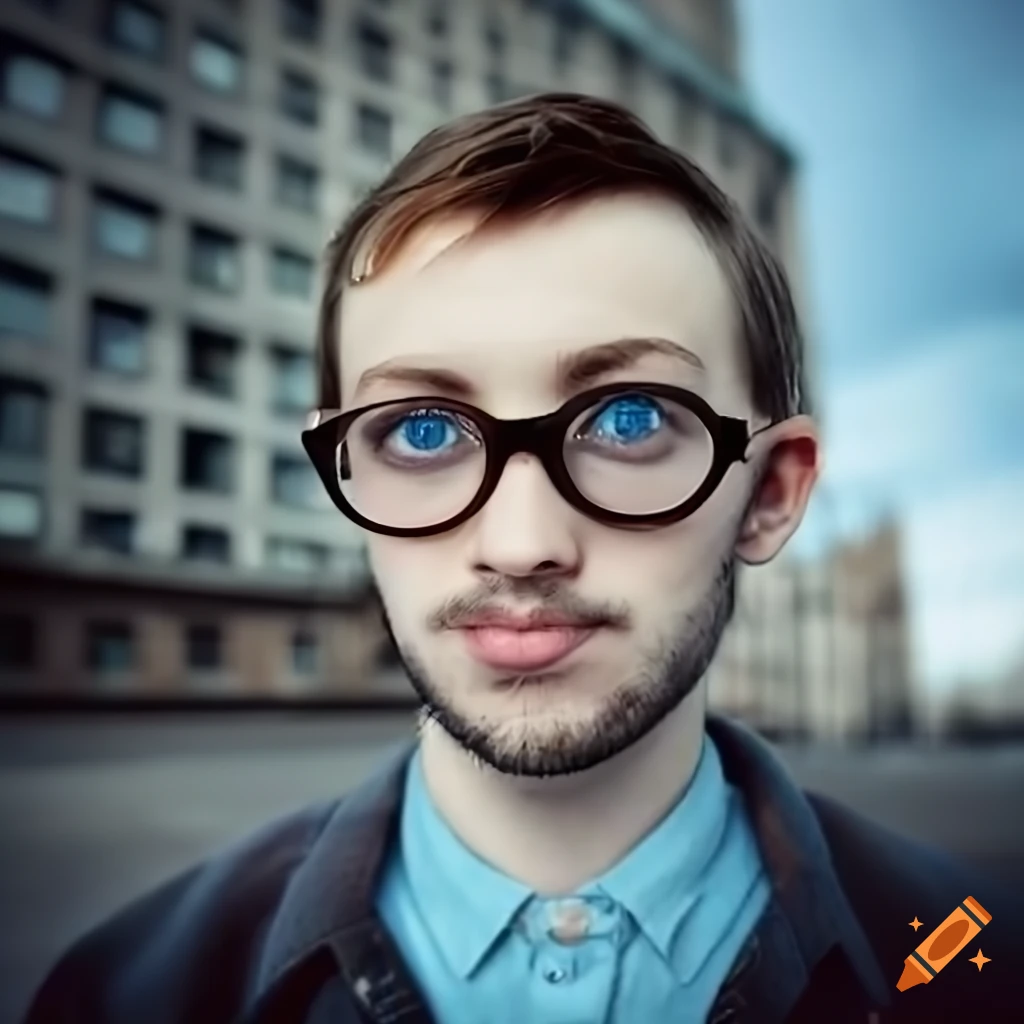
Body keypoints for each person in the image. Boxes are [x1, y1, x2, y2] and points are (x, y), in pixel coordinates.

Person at [26, 93, 1020, 1024]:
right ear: (345, 478)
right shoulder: (119, 991)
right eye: (420, 430)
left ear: (768, 491)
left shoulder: (984, 962)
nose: (520, 543)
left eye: (629, 418)